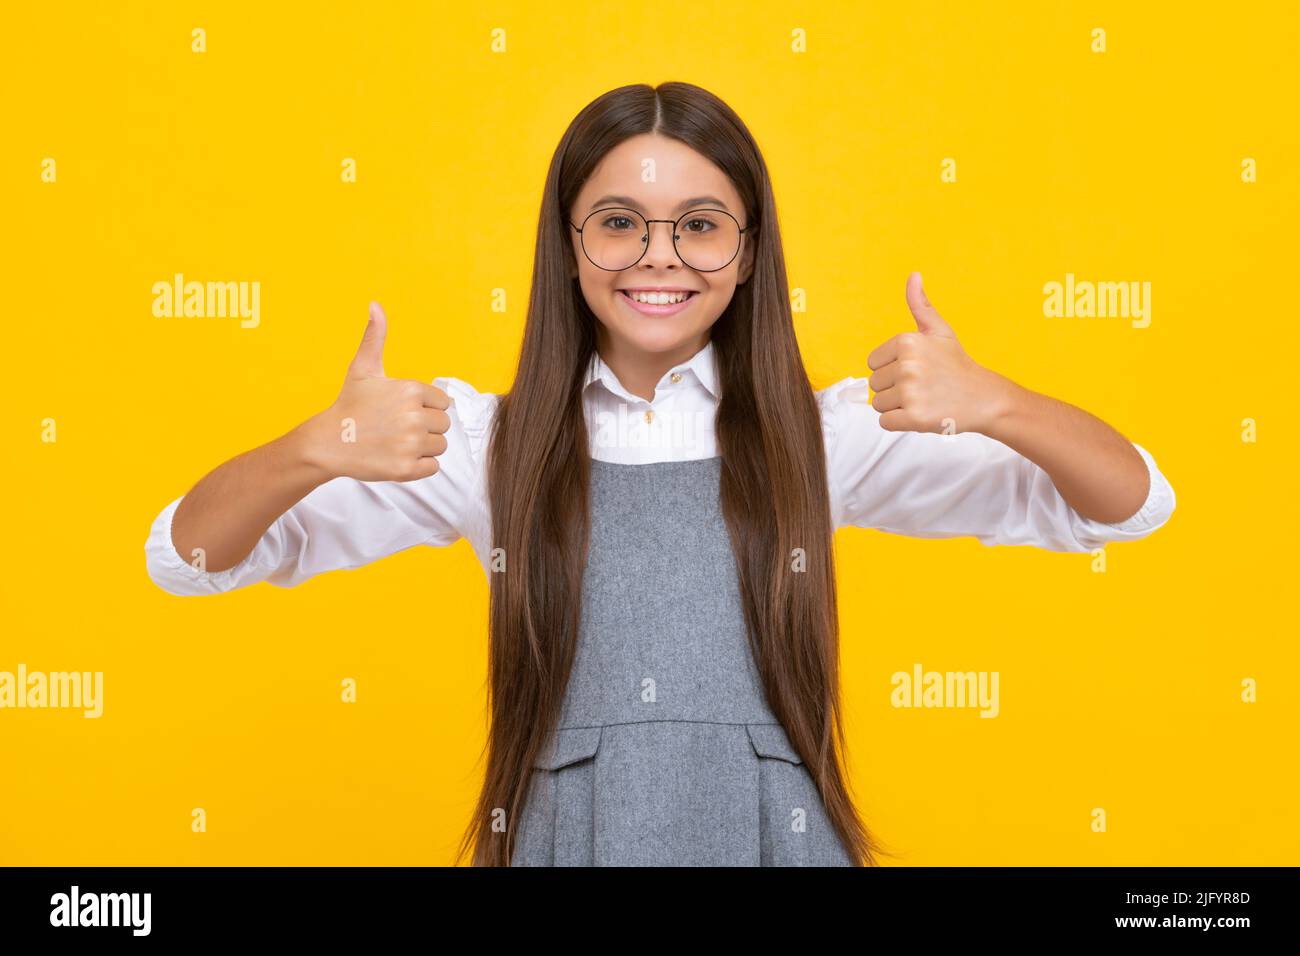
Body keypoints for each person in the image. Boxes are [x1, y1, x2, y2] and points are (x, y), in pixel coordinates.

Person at [144, 81, 1176, 866]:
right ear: (570, 241)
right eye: (619, 221)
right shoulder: (478, 442)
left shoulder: (824, 438)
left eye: (699, 222)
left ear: (747, 248)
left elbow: (1130, 503)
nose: (659, 255)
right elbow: (187, 558)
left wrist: (999, 402)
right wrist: (307, 451)